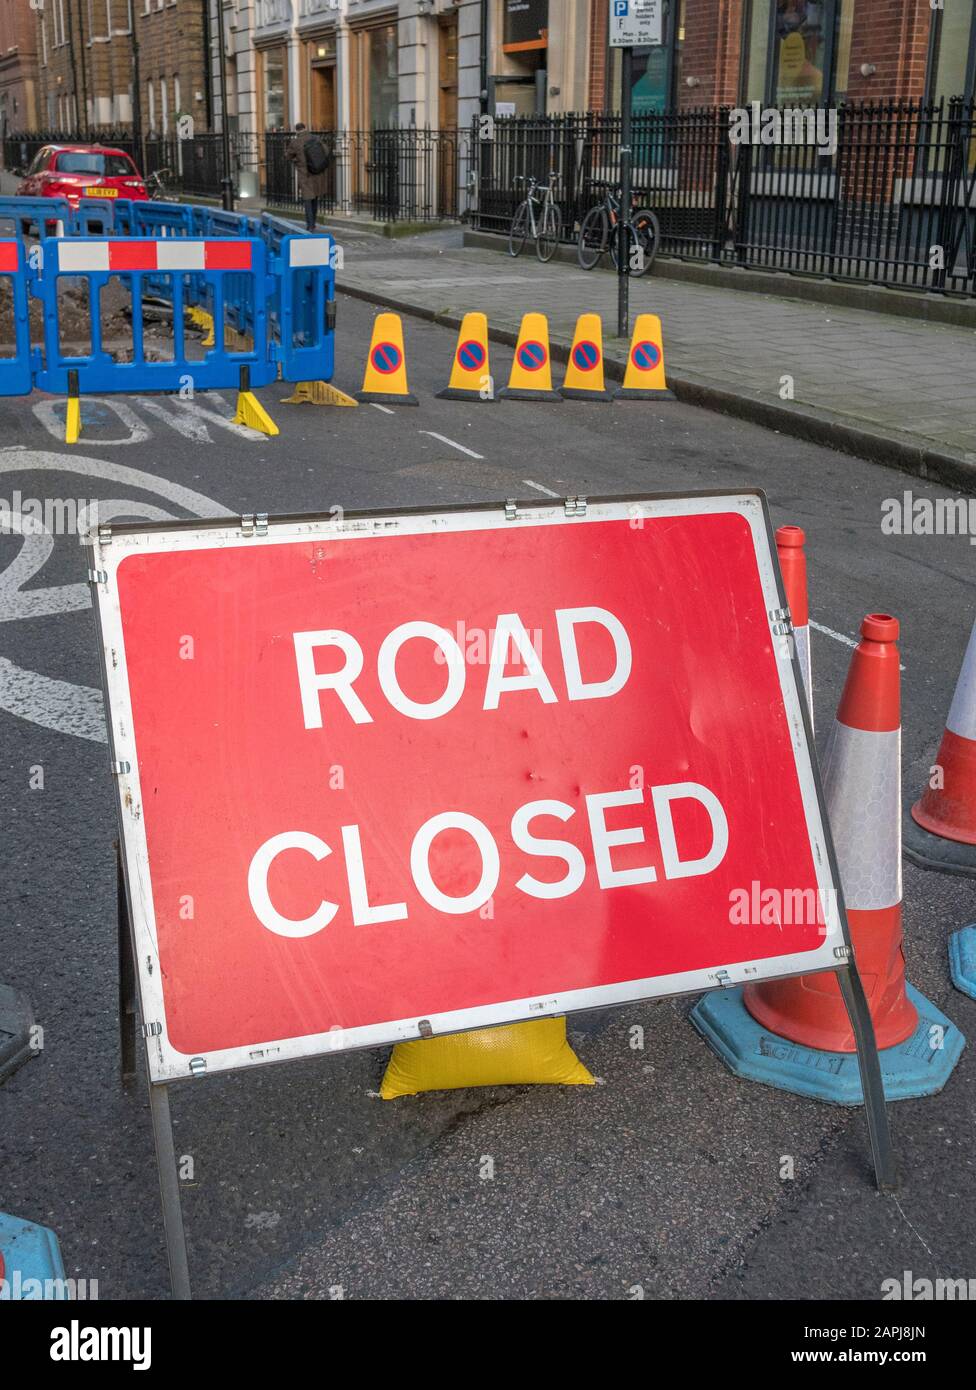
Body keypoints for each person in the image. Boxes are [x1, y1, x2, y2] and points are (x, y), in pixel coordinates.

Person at [286, 122, 330, 232]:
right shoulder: (316, 138)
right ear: (306, 128)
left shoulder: (295, 142)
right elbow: (326, 150)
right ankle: (313, 223)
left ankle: (310, 225)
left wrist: (296, 160)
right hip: (317, 172)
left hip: (305, 175)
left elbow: (287, 156)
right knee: (315, 198)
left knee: (307, 200)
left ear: (296, 131)